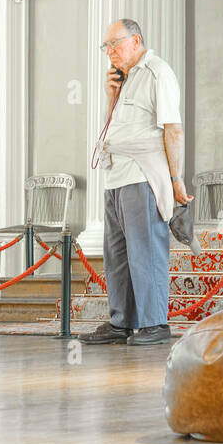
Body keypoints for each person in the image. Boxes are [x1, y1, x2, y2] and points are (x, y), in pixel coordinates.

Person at [82, 19, 191, 346]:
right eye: (106, 46)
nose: (109, 52)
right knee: (116, 255)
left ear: (136, 40)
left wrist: (176, 179)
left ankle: (155, 323)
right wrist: (110, 94)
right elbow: (114, 127)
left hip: (143, 174)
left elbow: (173, 129)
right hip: (116, 175)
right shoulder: (122, 80)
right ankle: (122, 321)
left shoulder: (157, 72)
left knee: (145, 252)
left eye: (114, 44)